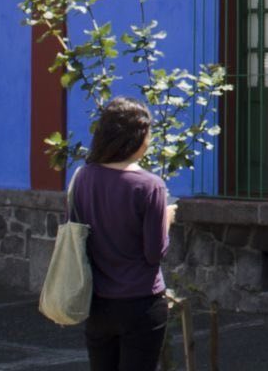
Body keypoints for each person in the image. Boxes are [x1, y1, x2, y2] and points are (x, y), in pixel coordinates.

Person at [71, 98, 176, 371]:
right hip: (141, 302)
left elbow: (78, 237)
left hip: (98, 302)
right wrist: (166, 219)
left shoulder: (83, 177)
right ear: (138, 136)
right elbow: (154, 254)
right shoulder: (150, 186)